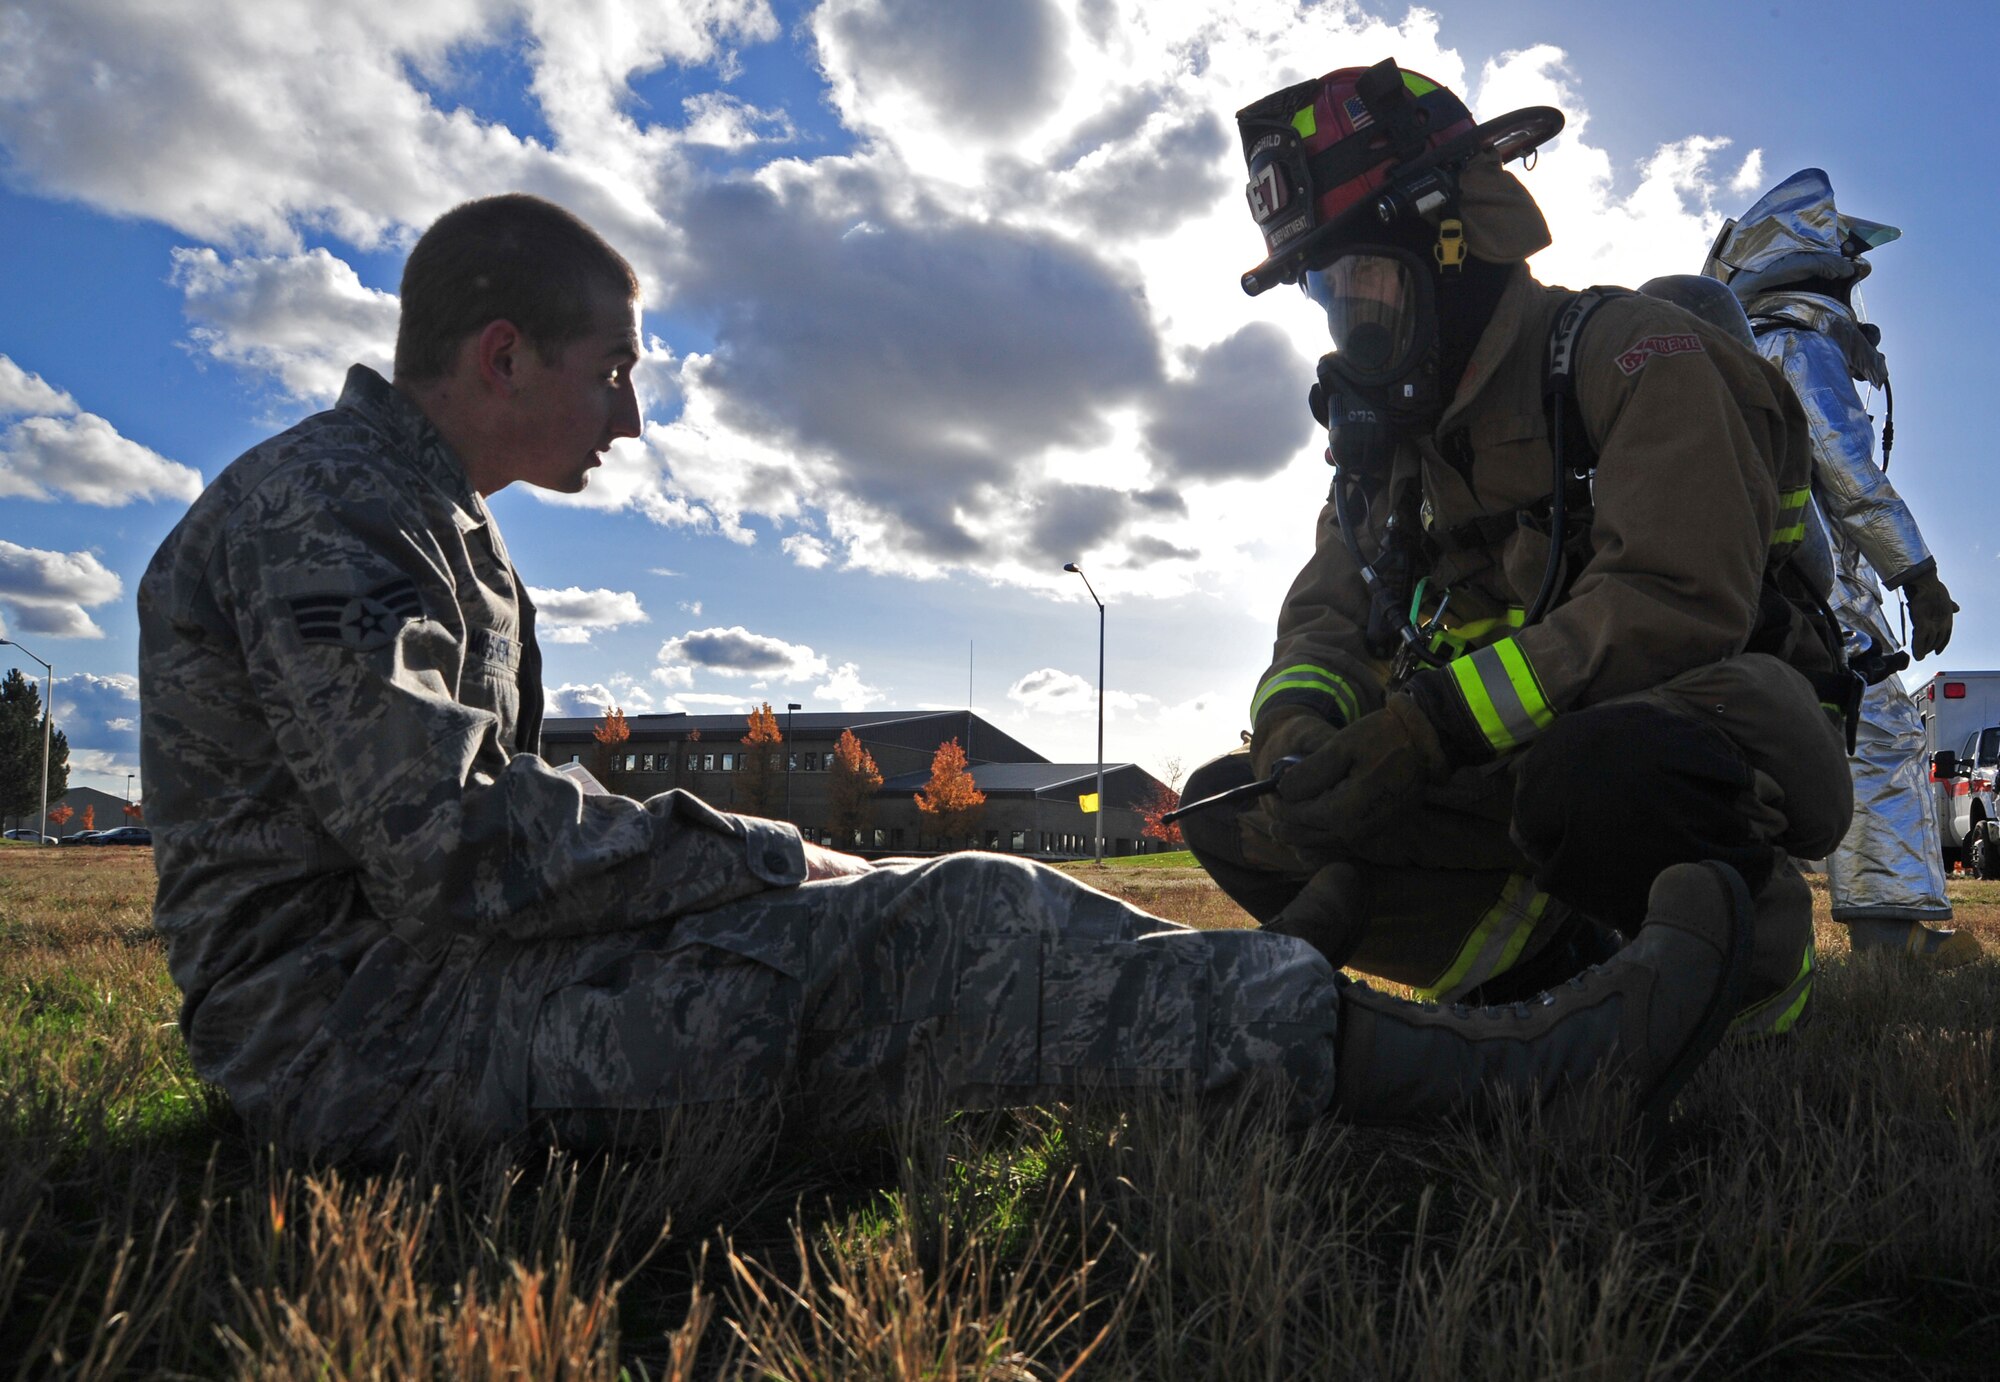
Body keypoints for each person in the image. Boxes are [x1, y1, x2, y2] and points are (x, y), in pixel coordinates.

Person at [138, 192, 1758, 1163]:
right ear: (502, 355)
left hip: (408, 996)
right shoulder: (327, 510)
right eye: (611, 370)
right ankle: (1526, 1083)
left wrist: (747, 881)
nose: (629, 414)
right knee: (943, 945)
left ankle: (1325, 1022)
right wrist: (767, 860)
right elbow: (455, 845)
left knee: (952, 920)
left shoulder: (412, 514)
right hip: (357, 1046)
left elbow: (466, 855)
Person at [1180, 60, 1856, 1042]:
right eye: (1324, 294)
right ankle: (1540, 986)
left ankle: (1743, 986)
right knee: (1231, 807)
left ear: (1453, 244)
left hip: (1701, 729)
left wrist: (1427, 727)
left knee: (1599, 770)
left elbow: (1670, 603)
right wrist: (1297, 741)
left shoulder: (1640, 356)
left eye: (1362, 280)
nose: (1343, 323)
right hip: (1504, 760)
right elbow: (1325, 617)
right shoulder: (1389, 448)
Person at [1704, 169, 1978, 966]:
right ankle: (1891, 944)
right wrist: (1917, 573)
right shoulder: (1800, 342)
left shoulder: (1749, 344)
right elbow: (1848, 470)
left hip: (1758, 582)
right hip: (1819, 585)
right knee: (1884, 735)